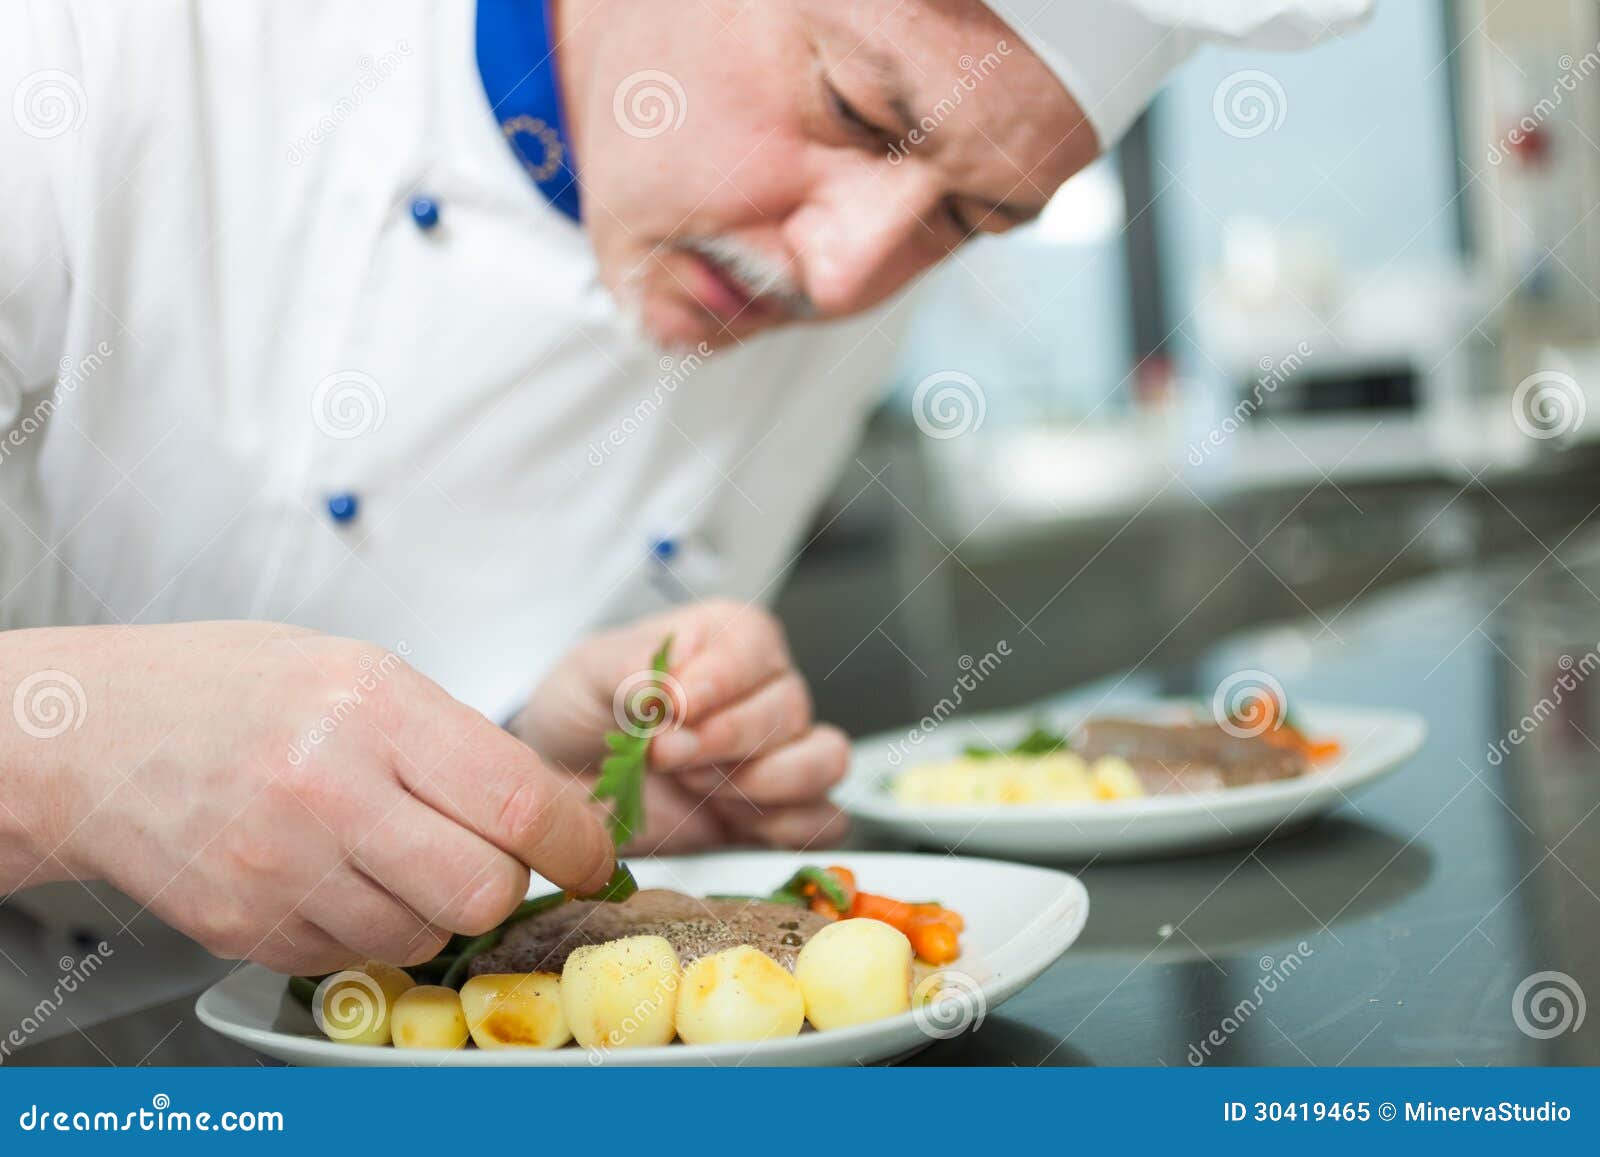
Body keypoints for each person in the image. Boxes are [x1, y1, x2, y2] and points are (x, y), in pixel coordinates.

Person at [0, 0, 1370, 985]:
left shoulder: (825, 270)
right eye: (858, 111)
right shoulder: (97, 49)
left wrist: (546, 774)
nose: (845, 275)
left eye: (967, 216)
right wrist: (64, 760)